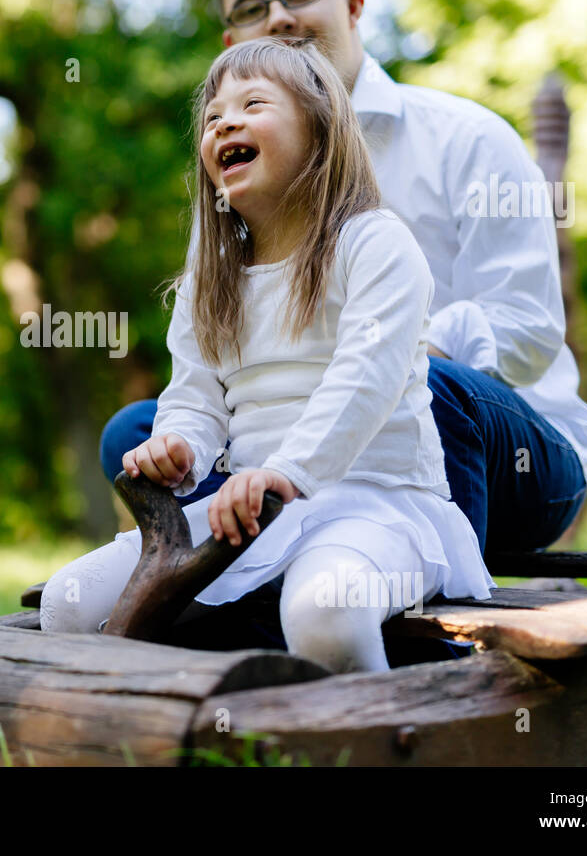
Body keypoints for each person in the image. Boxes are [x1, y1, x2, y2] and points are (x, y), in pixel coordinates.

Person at [99, 0, 587, 557]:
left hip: (510, 457)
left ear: (354, 3)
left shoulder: (468, 137)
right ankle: (257, 573)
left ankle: (427, 603)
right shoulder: (235, 183)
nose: (279, 17)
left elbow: (529, 331)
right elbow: (213, 357)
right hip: (297, 437)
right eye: (253, 7)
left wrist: (389, 351)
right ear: (232, 40)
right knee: (137, 438)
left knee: (420, 382)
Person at [40, 39, 495, 675]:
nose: (224, 122)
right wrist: (179, 448)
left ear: (321, 130)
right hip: (256, 510)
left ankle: (371, 738)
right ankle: (153, 729)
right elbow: (196, 397)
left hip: (378, 504)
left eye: (253, 103)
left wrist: (287, 472)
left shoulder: (375, 243)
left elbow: (366, 378)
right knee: (67, 604)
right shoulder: (212, 279)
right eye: (212, 117)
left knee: (324, 613)